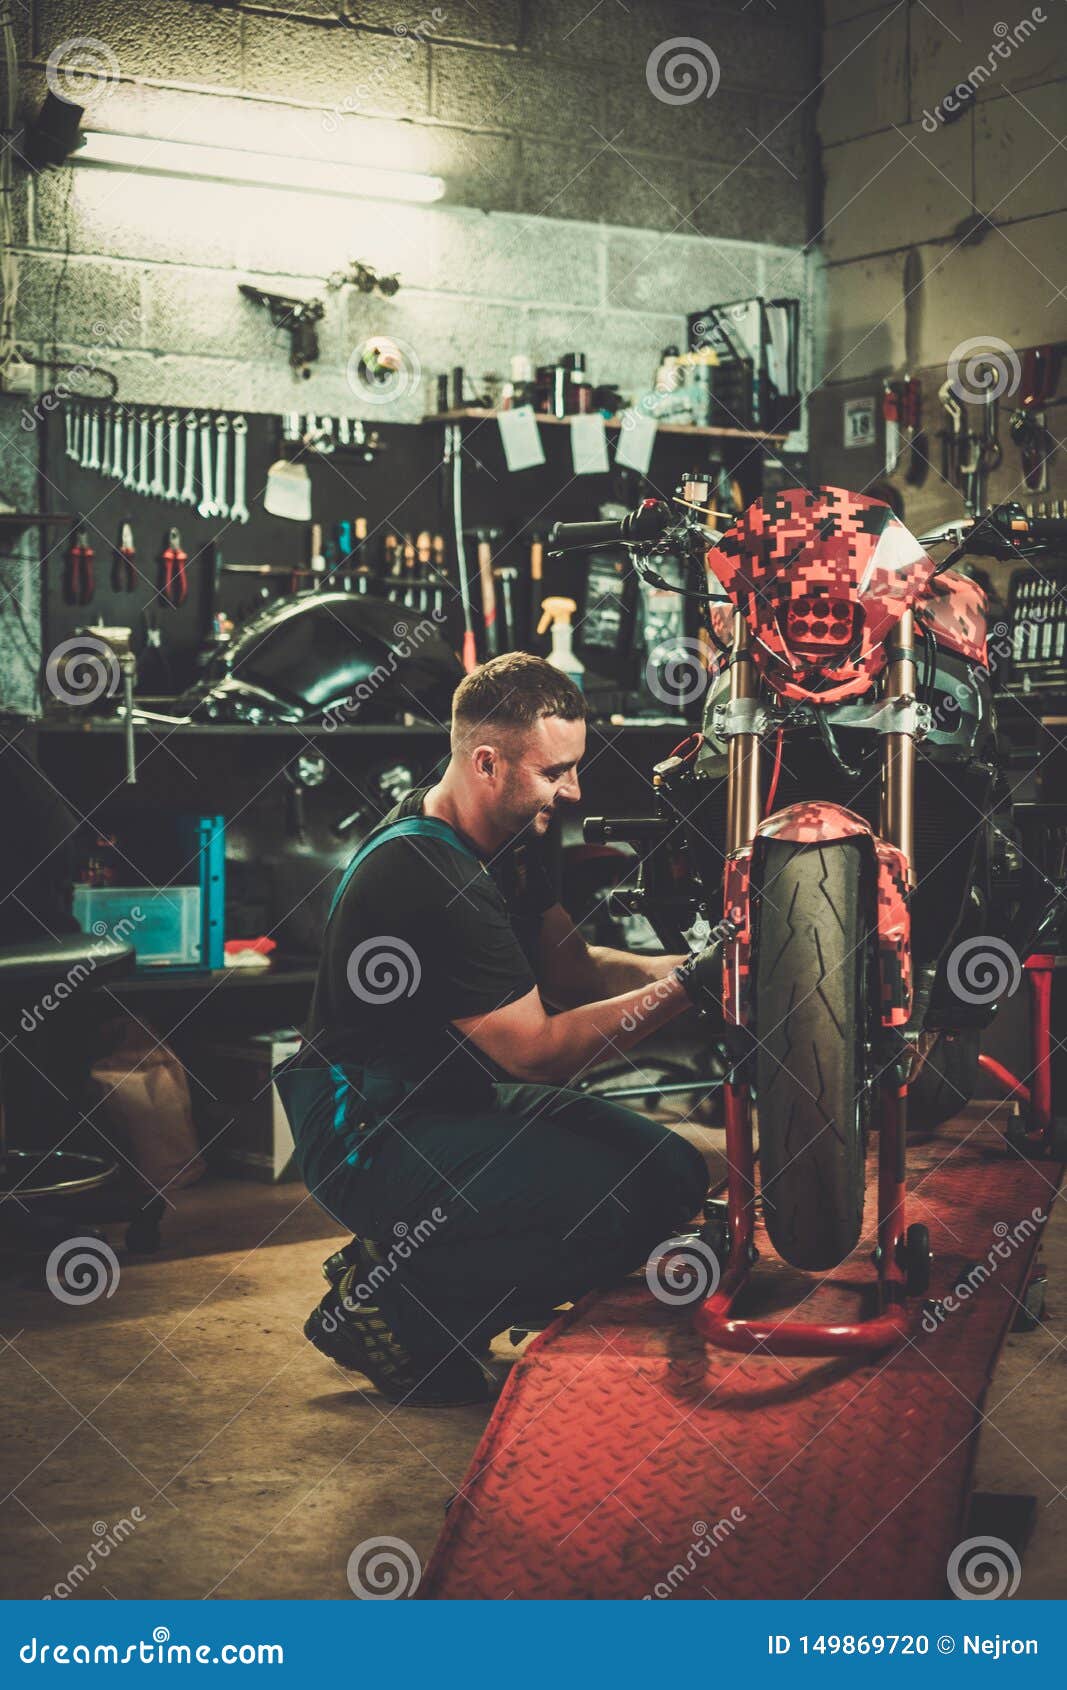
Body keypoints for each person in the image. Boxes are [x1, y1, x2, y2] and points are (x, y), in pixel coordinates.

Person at [274, 652, 730, 1407]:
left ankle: (417, 1262)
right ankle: (396, 1306)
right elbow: (537, 1055)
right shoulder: (427, 873)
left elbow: (574, 974)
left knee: (673, 1174)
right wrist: (691, 988)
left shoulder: (514, 838)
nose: (573, 790)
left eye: (575, 767)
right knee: (613, 1202)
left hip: (447, 1102)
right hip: (366, 1132)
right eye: (555, 772)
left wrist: (707, 963)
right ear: (486, 762)